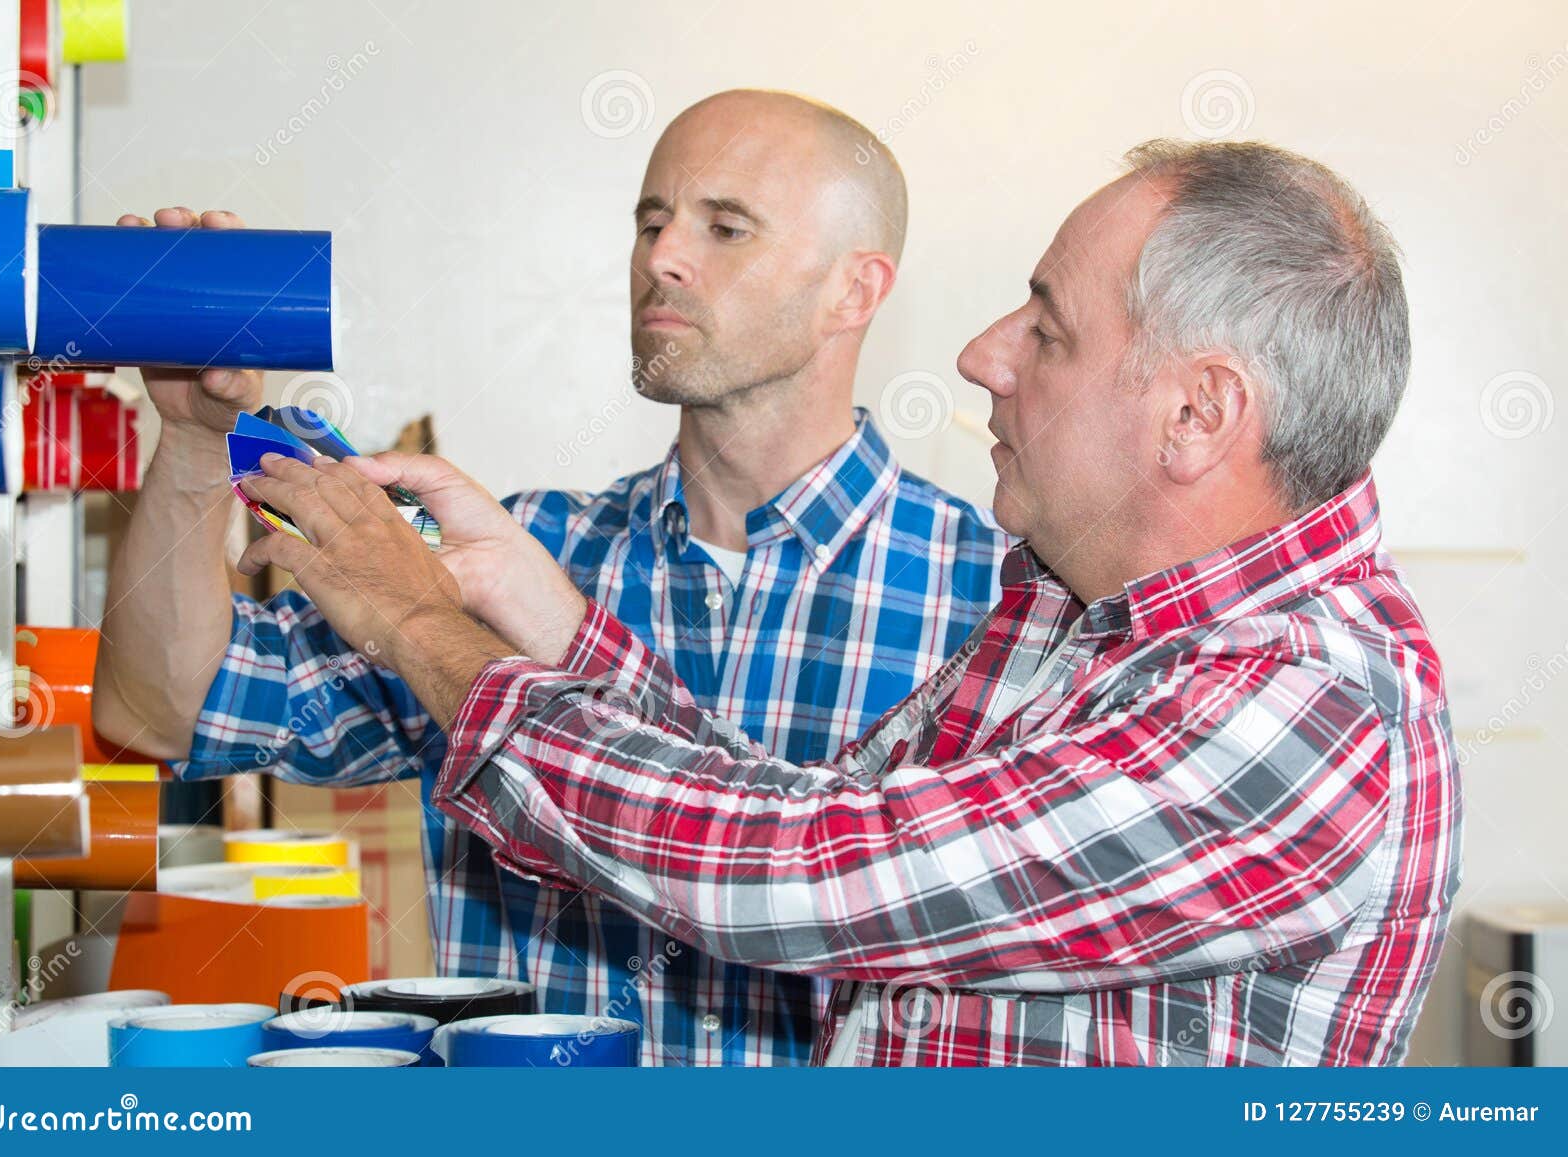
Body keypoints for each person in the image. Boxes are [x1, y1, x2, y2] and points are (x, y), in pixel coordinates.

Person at [225, 138, 1462, 1066]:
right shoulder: (1065, 616)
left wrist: (417, 627)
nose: (985, 353)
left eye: (1049, 327)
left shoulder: (1309, 704)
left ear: (1197, 413)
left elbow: (796, 878)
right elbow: (814, 813)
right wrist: (546, 620)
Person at [91, 90, 1008, 1067]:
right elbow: (163, 711)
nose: (661, 255)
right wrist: (194, 437)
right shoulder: (509, 554)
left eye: (723, 226)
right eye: (650, 221)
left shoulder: (994, 605)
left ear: (854, 292)